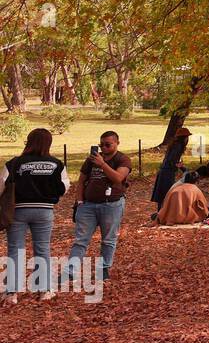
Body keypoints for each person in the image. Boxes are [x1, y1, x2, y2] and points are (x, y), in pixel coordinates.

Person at [2, 128, 70, 302]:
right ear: (48, 143)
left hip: (18, 210)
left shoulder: (14, 163)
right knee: (42, 249)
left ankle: (12, 293)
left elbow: (2, 185)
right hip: (44, 210)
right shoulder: (56, 164)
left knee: (15, 250)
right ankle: (44, 289)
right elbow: (64, 187)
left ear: (28, 141)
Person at [68, 130, 132, 283]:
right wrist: (79, 201)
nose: (103, 148)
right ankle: (70, 271)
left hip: (112, 205)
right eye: (101, 145)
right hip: (88, 205)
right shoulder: (92, 159)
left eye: (108, 144)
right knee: (80, 239)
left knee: (108, 239)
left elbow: (118, 178)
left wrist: (102, 164)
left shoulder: (123, 159)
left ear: (117, 143)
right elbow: (82, 179)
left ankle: (102, 269)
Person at [150, 126, 190, 212]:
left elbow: (173, 159)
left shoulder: (175, 145)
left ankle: (161, 213)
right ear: (184, 138)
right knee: (166, 194)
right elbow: (172, 160)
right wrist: (179, 166)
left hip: (165, 170)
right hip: (167, 172)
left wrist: (180, 166)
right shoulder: (178, 146)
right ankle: (162, 214)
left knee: (163, 194)